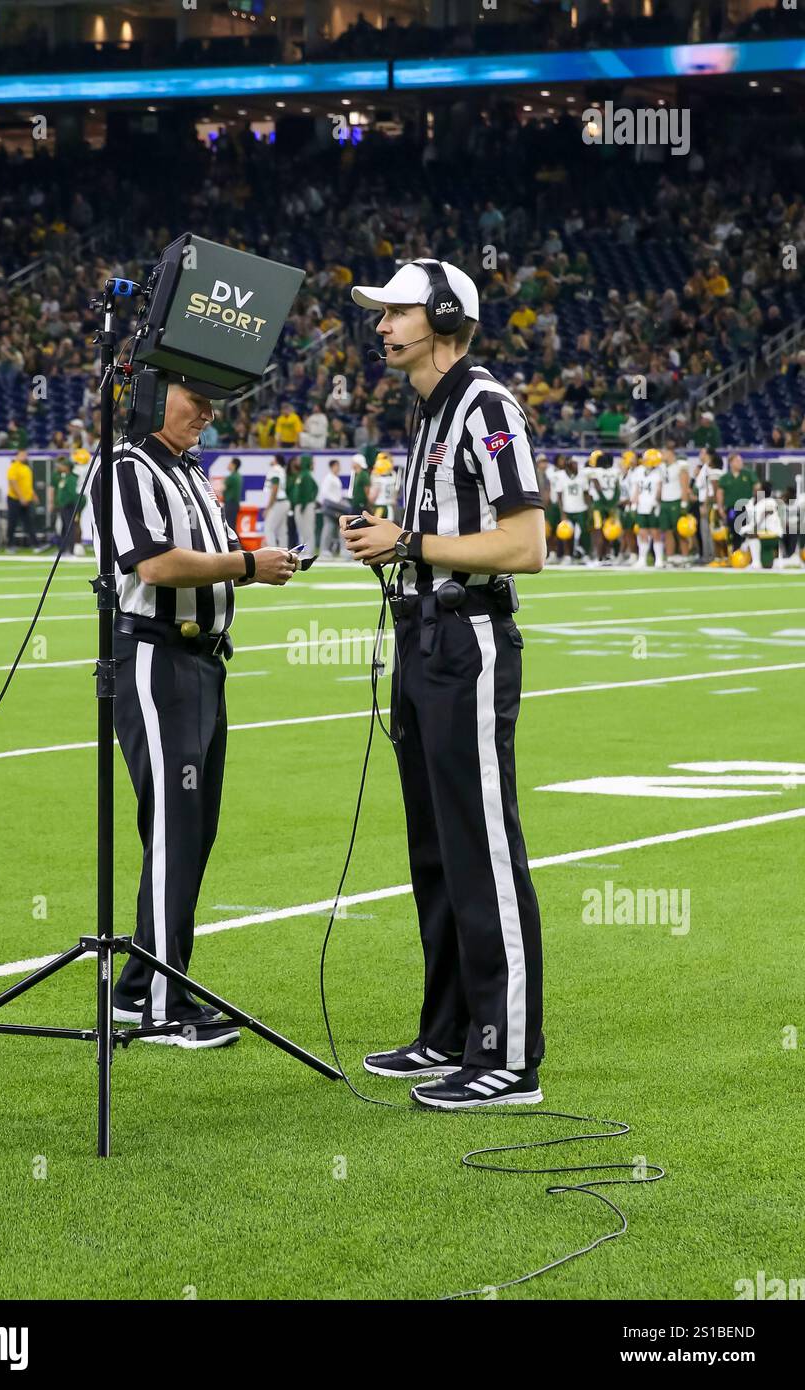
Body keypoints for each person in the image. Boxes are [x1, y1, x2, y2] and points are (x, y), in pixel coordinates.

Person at [344, 258, 546, 1111]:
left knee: (481, 844)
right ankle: (450, 1030)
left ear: (443, 315)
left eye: (396, 312)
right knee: (433, 845)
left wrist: (410, 545)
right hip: (423, 635)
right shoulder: (429, 411)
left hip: (466, 637)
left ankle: (509, 1055)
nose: (381, 326)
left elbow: (525, 544)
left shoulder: (485, 404)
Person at [87, 373, 300, 1046]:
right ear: (151, 399)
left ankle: (142, 988)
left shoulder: (183, 470)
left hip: (201, 661)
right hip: (155, 657)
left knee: (192, 827)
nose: (207, 414)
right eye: (194, 399)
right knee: (176, 824)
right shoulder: (126, 466)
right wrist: (246, 564)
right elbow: (151, 566)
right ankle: (158, 1004)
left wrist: (248, 566)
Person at [6, 448, 45, 552]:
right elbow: (13, 483)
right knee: (12, 522)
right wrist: (21, 497)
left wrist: (33, 495)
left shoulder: (26, 468)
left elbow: (27, 485)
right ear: (17, 456)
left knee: (29, 523)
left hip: (26, 500)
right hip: (14, 499)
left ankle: (36, 545)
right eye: (22, 455)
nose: (25, 457)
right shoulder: (13, 467)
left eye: (25, 455)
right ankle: (10, 545)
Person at [317, 459, 344, 557]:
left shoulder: (336, 478)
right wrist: (336, 502)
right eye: (337, 466)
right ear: (333, 466)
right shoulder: (328, 478)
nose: (339, 468)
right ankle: (324, 550)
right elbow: (325, 492)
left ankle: (342, 550)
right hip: (330, 506)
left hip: (337, 507)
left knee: (339, 529)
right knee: (328, 527)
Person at [263, 453, 290, 547]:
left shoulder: (275, 469)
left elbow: (275, 487)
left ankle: (273, 553)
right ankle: (285, 554)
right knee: (282, 531)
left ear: (276, 460)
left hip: (278, 502)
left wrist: (268, 507)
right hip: (284, 502)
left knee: (268, 528)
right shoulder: (281, 470)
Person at [222, 457, 243, 534]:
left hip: (230, 504)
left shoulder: (231, 477)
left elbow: (222, 488)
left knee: (229, 526)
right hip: (235, 504)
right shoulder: (238, 476)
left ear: (234, 465)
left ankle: (234, 545)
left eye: (230, 463)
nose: (228, 465)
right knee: (232, 525)